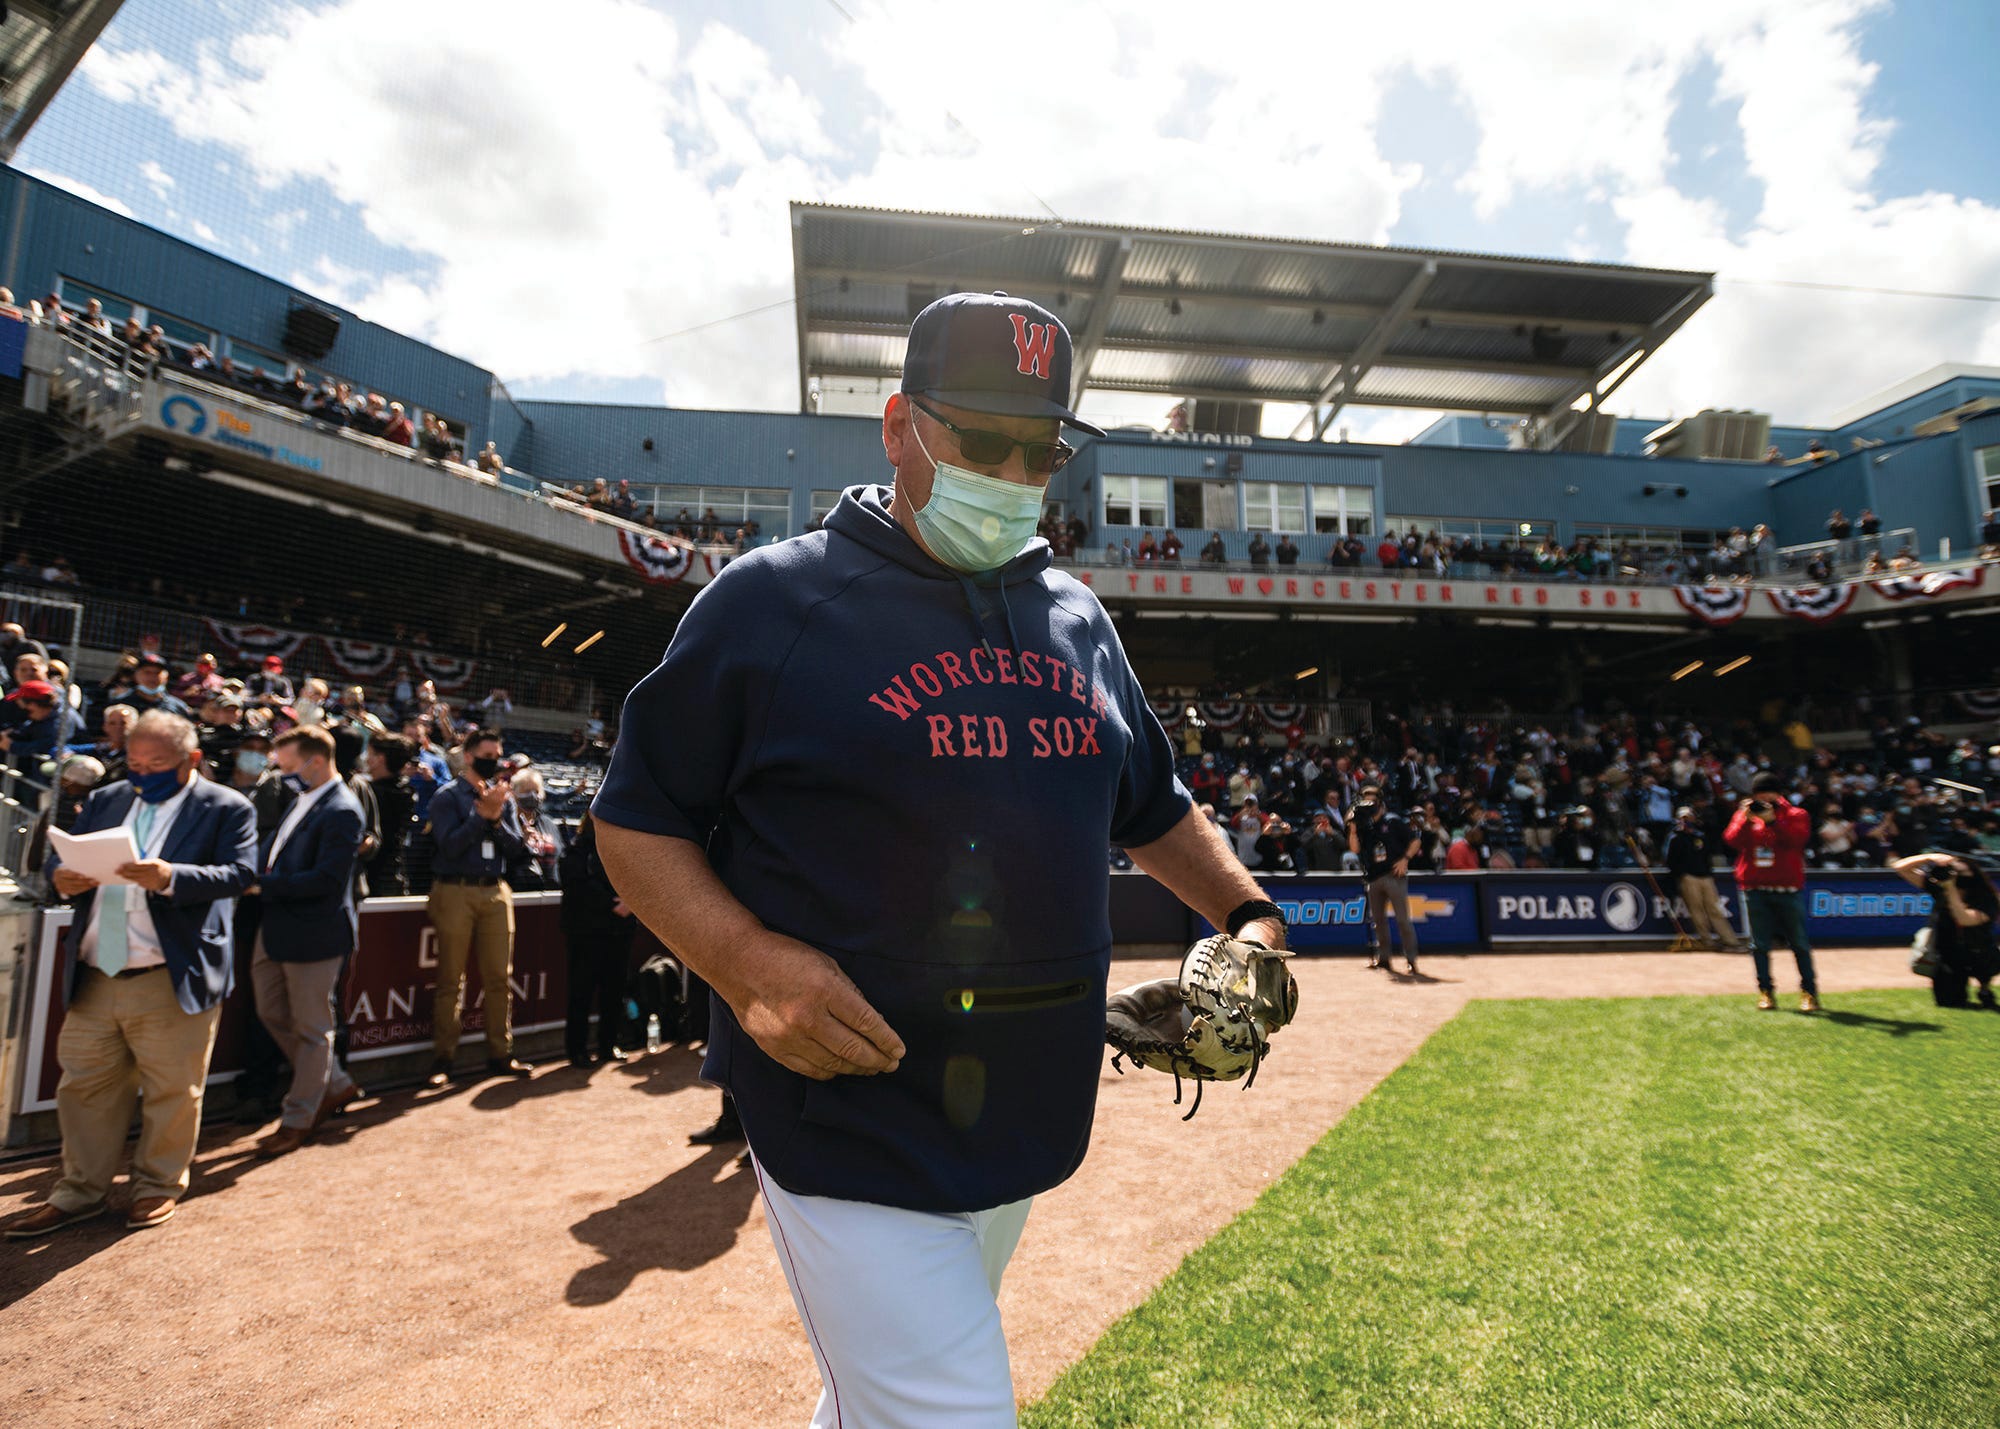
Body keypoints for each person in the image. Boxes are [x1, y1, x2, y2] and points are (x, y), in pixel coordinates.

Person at [590, 290, 1286, 1429]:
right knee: (948, 1414)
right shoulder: (774, 599)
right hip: (850, 1102)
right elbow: (634, 819)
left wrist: (1249, 917)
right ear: (898, 424)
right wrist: (747, 961)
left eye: (1041, 447)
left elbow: (1150, 803)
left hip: (1026, 1101)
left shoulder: (1075, 613)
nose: (1015, 471)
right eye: (984, 438)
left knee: (880, 1402)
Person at [5, 712, 257, 1238]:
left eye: (156, 764)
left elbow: (242, 873)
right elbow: (61, 857)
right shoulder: (107, 798)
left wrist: (171, 877)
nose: (142, 772)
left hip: (170, 974)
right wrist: (63, 877)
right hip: (97, 970)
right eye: (136, 762)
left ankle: (157, 1186)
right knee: (84, 1090)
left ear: (189, 760)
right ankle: (79, 1192)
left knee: (172, 1090)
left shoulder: (227, 806)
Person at [248, 726, 367, 1157]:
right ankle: (334, 1084)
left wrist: (263, 886)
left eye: (288, 764)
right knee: (272, 1011)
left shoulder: (342, 809)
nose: (280, 773)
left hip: (314, 932)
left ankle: (298, 1117)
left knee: (313, 1030)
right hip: (278, 925)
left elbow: (327, 881)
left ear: (315, 761)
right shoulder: (301, 800)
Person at [424, 728, 532, 1084]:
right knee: (450, 979)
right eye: (486, 754)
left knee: (500, 978)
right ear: (468, 756)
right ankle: (443, 1060)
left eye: (497, 755)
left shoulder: (504, 798)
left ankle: (502, 1054)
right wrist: (479, 817)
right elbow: (449, 846)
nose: (493, 761)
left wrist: (497, 818)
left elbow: (518, 850)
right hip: (454, 890)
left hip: (496, 892)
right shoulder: (447, 797)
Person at [1724, 773, 1820, 1012]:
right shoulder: (1746, 814)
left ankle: (1809, 992)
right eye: (1759, 793)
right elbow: (1732, 840)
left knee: (1799, 943)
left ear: (1779, 793)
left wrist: (1773, 822)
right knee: (1759, 945)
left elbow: (1797, 840)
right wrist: (1747, 819)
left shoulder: (1796, 814)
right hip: (1755, 888)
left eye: (1768, 792)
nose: (1764, 798)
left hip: (1787, 889)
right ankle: (1765, 991)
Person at [559, 812, 635, 1066]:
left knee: (614, 991)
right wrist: (610, 904)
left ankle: (608, 1044)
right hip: (587, 932)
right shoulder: (576, 849)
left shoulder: (626, 848)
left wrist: (630, 902)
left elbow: (639, 879)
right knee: (581, 991)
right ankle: (577, 1050)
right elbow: (576, 885)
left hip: (618, 931)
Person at [1892, 853, 1998, 1009]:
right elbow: (1900, 867)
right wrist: (1932, 858)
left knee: (1984, 970)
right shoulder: (1940, 887)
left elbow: (1965, 919)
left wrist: (1951, 889)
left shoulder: (1987, 898)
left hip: (1979, 950)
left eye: (1960, 872)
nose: (1954, 875)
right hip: (1948, 951)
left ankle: (1984, 989)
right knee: (1949, 1002)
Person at [1348, 784, 1420, 974]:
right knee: (1378, 922)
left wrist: (1405, 859)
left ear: (1380, 802)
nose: (1368, 803)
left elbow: (1415, 840)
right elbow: (1355, 849)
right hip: (1373, 877)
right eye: (1365, 799)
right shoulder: (1365, 826)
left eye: (1372, 799)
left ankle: (1411, 960)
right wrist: (1353, 828)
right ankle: (1384, 959)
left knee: (1403, 920)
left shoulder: (1393, 820)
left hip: (1393, 876)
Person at [1664, 806, 1743, 950]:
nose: (1686, 820)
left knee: (1715, 909)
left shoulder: (1700, 836)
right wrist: (1681, 875)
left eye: (1689, 817)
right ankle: (1707, 940)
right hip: (1688, 878)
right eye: (1683, 818)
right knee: (1696, 910)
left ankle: (1730, 940)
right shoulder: (1675, 838)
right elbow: (1670, 860)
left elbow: (1707, 856)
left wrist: (1709, 872)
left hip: (1705, 877)